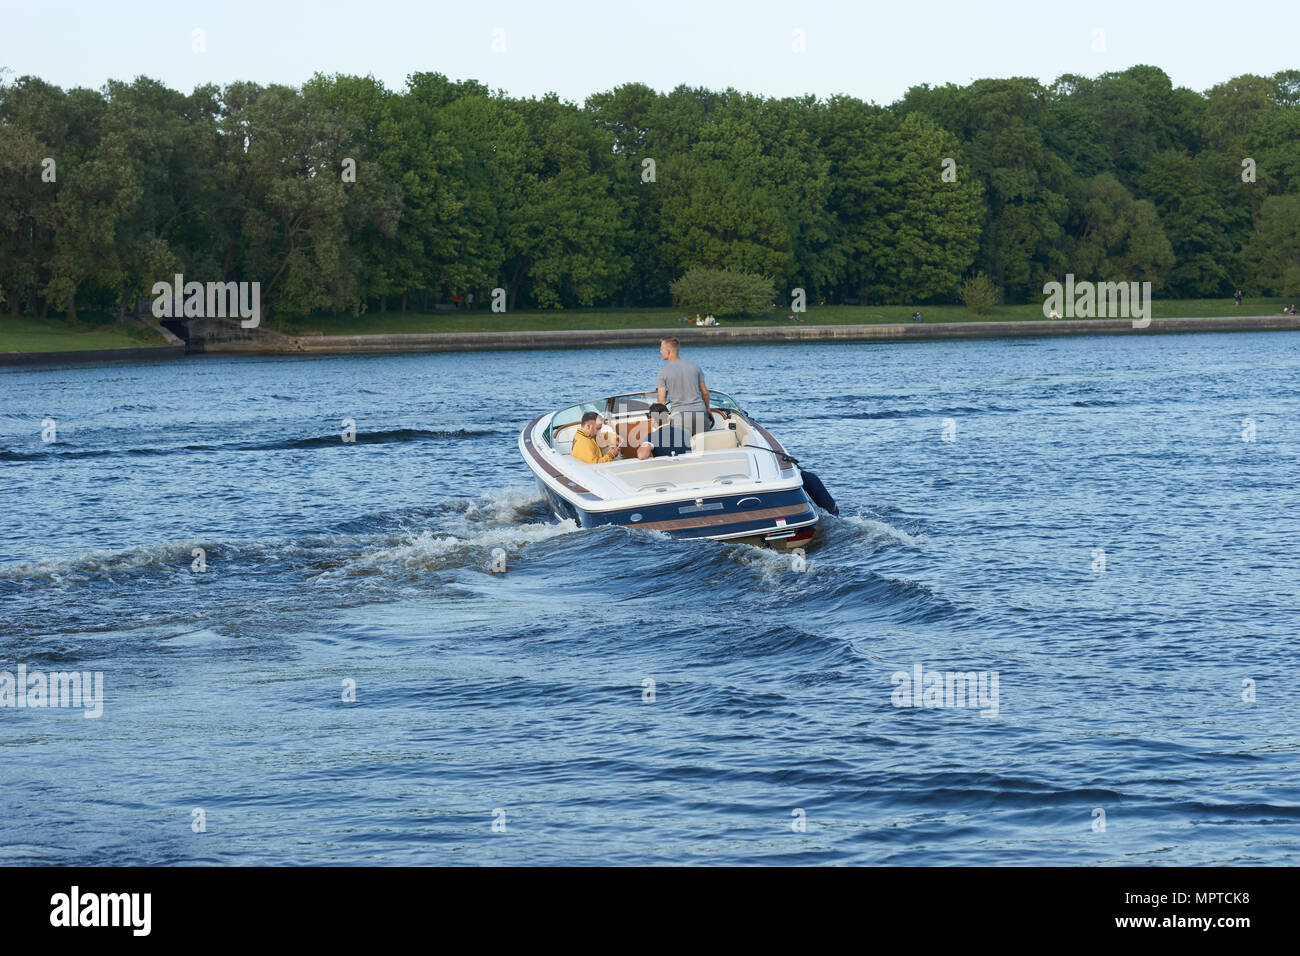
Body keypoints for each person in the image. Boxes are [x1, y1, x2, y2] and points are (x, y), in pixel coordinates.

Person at [655, 337, 711, 437]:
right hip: (700, 413)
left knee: (682, 449)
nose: (660, 351)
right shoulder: (695, 367)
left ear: (668, 351)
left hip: (679, 416)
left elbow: (661, 401)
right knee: (703, 447)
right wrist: (708, 409)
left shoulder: (663, 372)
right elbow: (705, 393)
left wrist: (660, 421)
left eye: (661, 349)